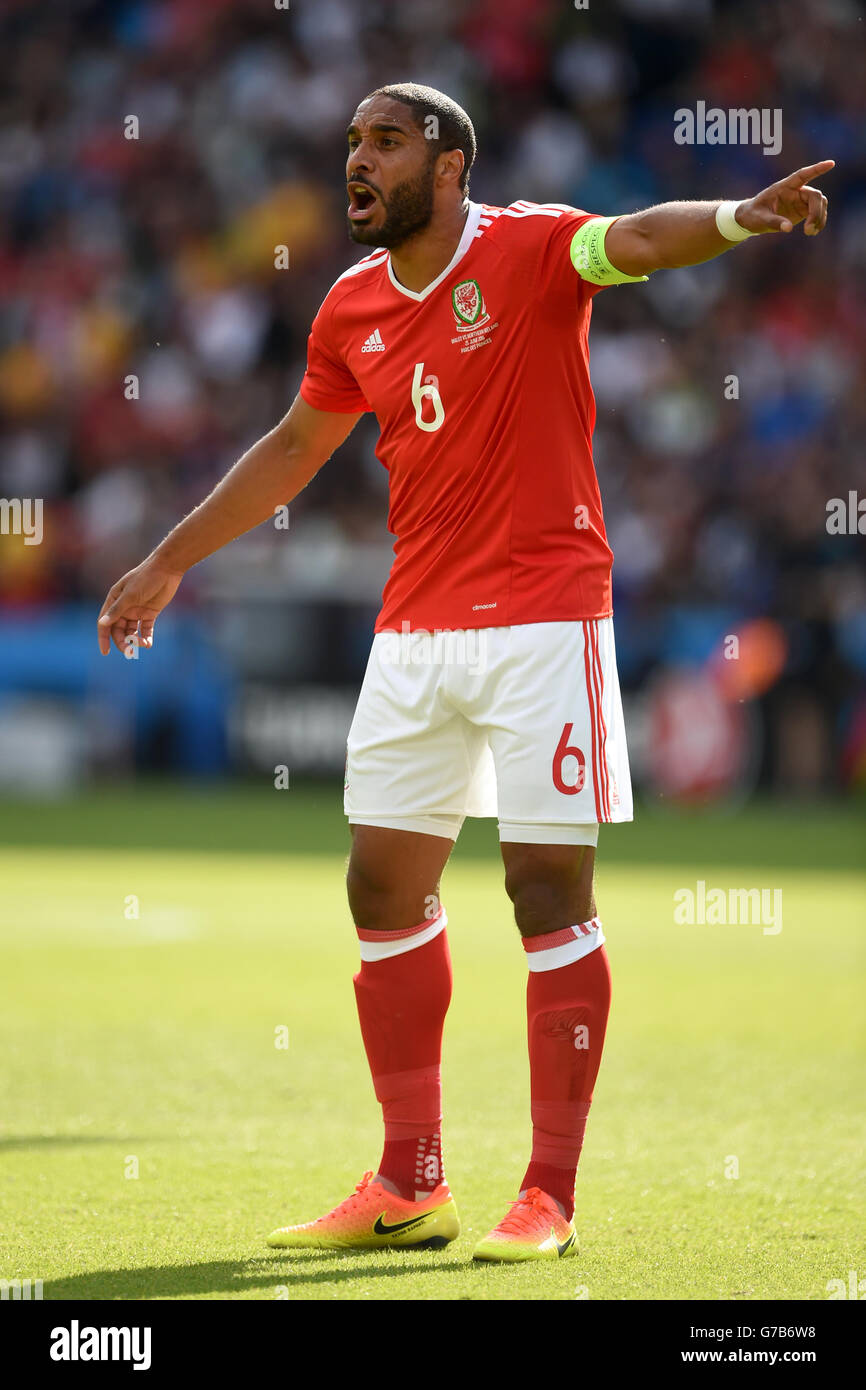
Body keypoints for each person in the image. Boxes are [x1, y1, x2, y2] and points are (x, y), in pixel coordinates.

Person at [97, 82, 831, 1262]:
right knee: (378, 891)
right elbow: (293, 447)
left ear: (448, 167)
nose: (358, 159)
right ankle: (408, 1179)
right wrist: (165, 559)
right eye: (350, 141)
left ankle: (547, 1195)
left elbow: (639, 237)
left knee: (545, 894)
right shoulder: (346, 307)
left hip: (545, 618)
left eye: (384, 141)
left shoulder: (533, 247)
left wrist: (739, 218)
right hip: (414, 630)